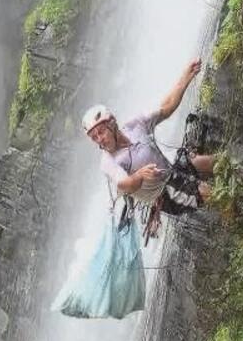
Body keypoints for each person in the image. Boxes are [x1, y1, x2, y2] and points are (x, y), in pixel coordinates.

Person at [82, 58, 215, 238]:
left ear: (112, 123)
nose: (99, 139)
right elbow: (124, 184)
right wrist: (139, 175)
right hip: (165, 191)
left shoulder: (134, 125)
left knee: (213, 162)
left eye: (101, 132)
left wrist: (187, 76)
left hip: (171, 163)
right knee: (209, 194)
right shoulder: (108, 162)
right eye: (94, 137)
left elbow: (166, 107)